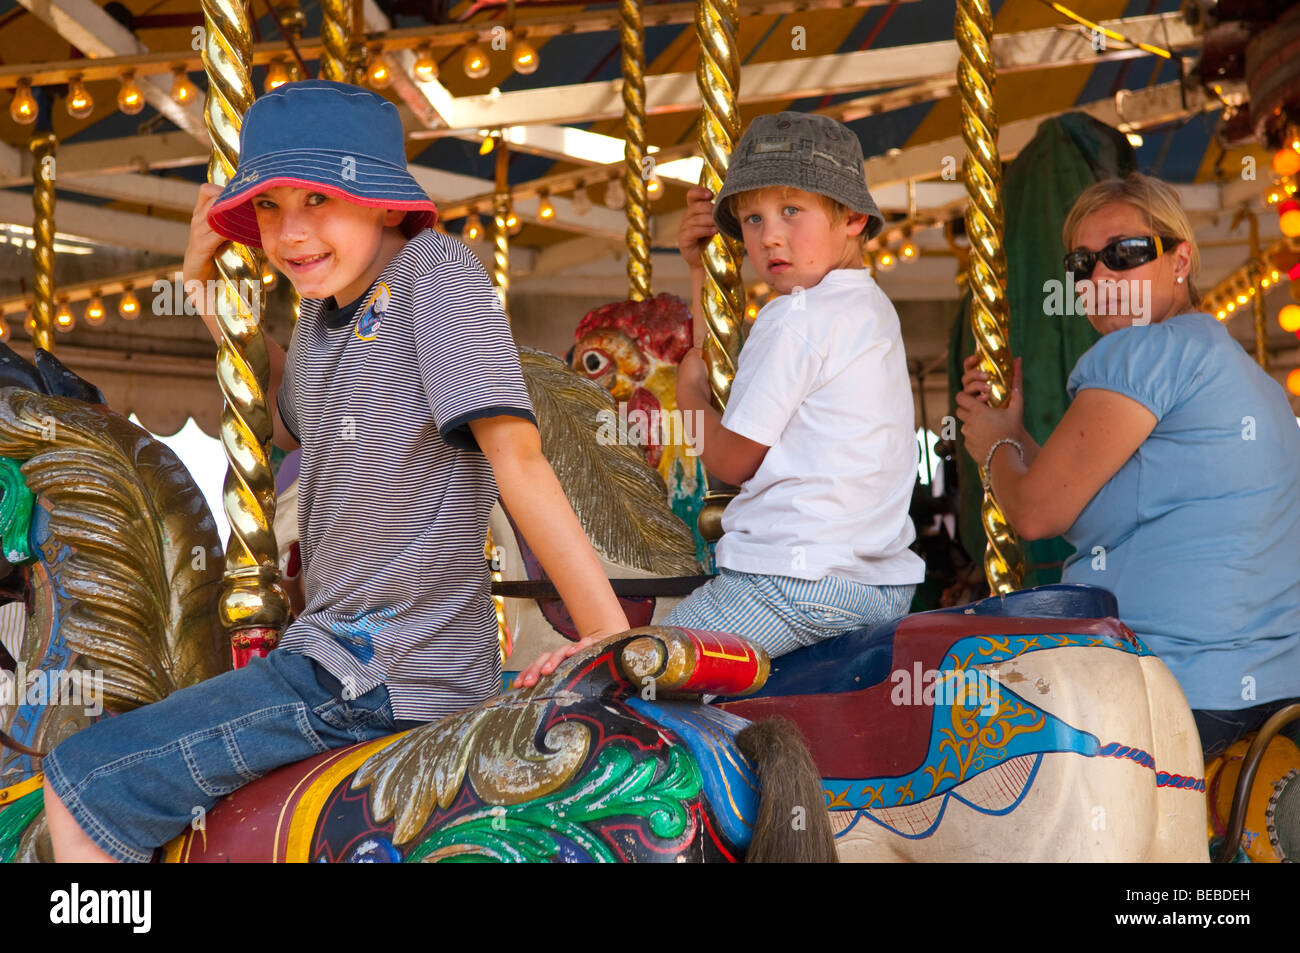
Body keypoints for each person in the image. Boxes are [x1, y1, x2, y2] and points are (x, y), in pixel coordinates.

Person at [39, 80, 628, 862]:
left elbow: (515, 452)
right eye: (271, 208)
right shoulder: (322, 318)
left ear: (385, 202)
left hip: (378, 667)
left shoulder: (437, 273)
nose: (290, 233)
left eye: (317, 199)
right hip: (334, 658)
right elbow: (284, 419)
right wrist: (207, 292)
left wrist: (606, 633)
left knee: (82, 777)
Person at [956, 172, 1300, 760]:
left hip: (1173, 690)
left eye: (1126, 253)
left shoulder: (1143, 352)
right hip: (1268, 690)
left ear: (1180, 258)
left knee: (955, 706)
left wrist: (991, 446)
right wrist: (1012, 436)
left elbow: (1035, 513)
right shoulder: (1229, 365)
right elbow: (1076, 502)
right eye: (1082, 265)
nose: (1102, 277)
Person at [664, 111, 924, 658]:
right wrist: (700, 272)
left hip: (788, 585)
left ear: (852, 218)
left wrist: (686, 400)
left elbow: (732, 461)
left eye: (790, 211)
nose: (770, 236)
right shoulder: (870, 308)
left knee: (622, 675)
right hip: (878, 587)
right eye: (752, 220)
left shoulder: (794, 316)